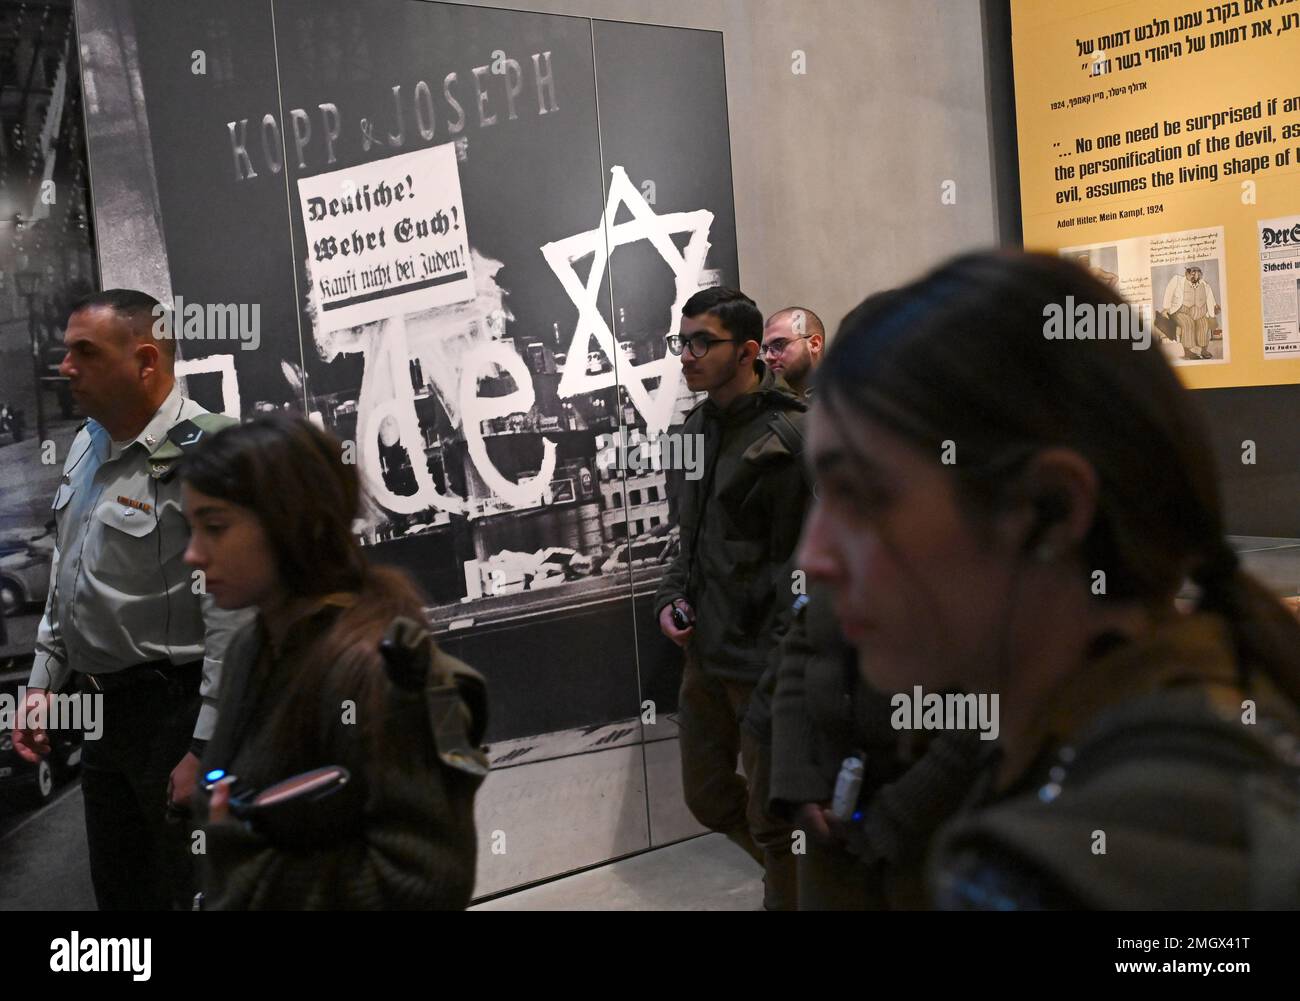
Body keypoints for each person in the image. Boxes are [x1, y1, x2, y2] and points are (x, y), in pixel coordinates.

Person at [798, 249, 1300, 909]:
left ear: (1050, 509)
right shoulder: (1178, 724)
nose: (813, 555)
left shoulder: (1067, 870)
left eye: (862, 496)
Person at [182, 415, 487, 910]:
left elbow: (425, 885)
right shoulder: (250, 648)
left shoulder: (382, 669)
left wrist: (247, 864)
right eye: (190, 527)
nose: (192, 554)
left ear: (294, 523)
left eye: (215, 527)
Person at [11, 289, 248, 911]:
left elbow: (235, 619)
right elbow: (67, 576)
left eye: (83, 353)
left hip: (177, 712)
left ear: (145, 361)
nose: (65, 369)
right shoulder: (87, 445)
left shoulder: (212, 453)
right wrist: (41, 684)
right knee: (123, 905)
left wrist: (204, 750)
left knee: (196, 894)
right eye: (66, 352)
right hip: (101, 717)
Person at [657, 287, 809, 910]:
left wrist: (785, 662)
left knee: (775, 816)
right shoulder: (692, 431)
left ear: (748, 352)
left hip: (765, 665)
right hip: (706, 658)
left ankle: (792, 893)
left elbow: (808, 567)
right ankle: (799, 881)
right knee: (709, 797)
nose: (686, 355)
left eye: (702, 342)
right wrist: (669, 599)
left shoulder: (791, 436)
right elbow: (684, 540)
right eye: (682, 341)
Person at [758, 306, 824, 397]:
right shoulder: (764, 404)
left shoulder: (844, 399)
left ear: (814, 344)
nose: (768, 357)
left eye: (778, 345)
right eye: (765, 349)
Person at [1160, 265, 1220, 360]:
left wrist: (1214, 307)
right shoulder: (1177, 281)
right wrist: (1166, 308)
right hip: (1181, 312)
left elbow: (1210, 298)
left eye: (1198, 274)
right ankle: (1188, 352)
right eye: (1193, 273)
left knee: (1204, 324)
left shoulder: (1205, 285)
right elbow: (1169, 291)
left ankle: (1204, 350)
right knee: (1188, 323)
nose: (1195, 276)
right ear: (1187, 274)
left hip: (1200, 313)